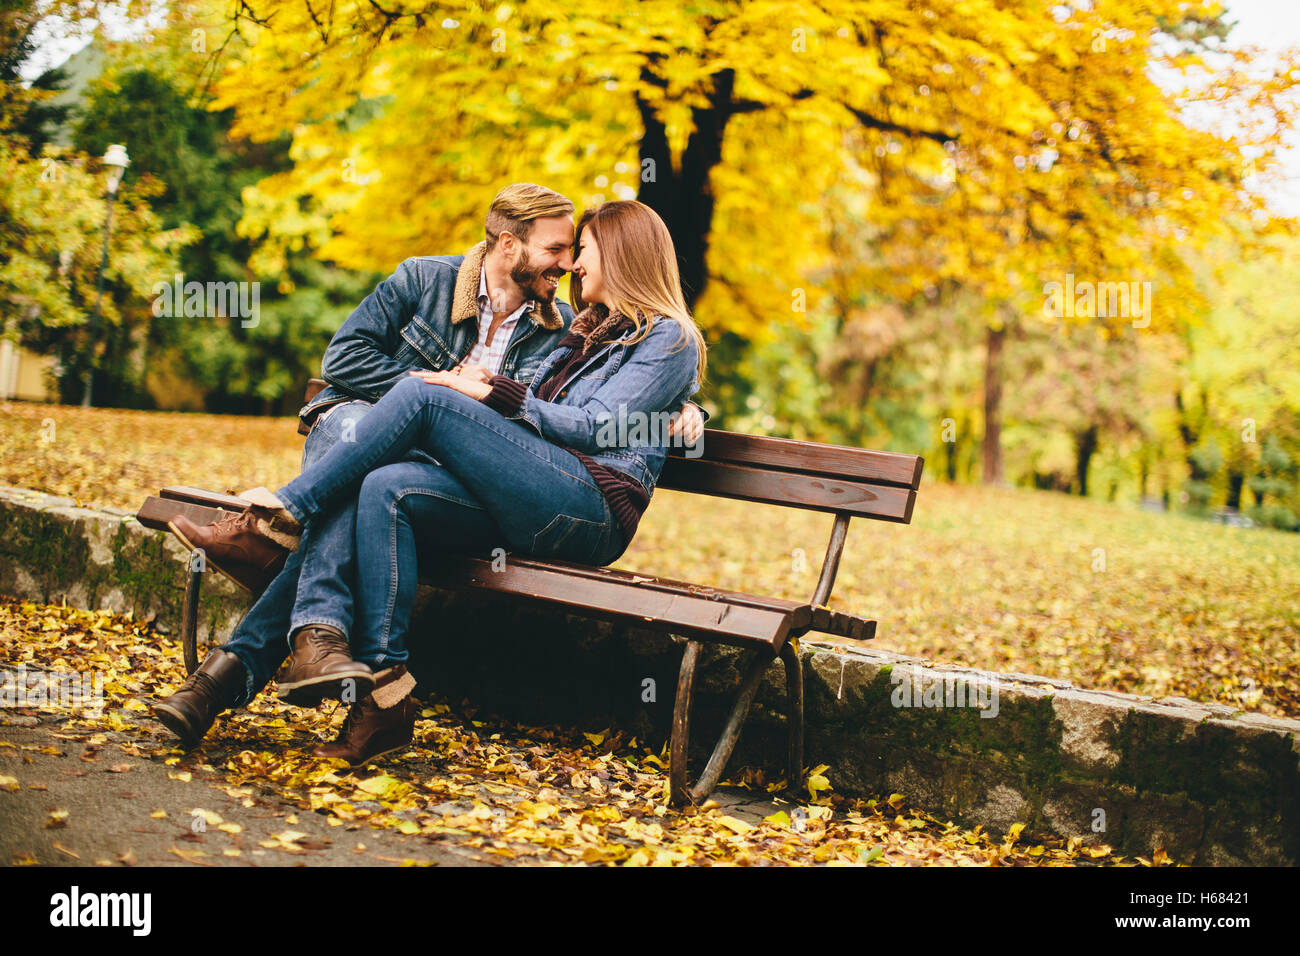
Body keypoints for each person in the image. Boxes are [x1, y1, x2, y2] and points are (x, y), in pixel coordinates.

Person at [153, 200, 706, 766]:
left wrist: (493, 392)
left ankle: (280, 520)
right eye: (566, 251)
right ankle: (383, 700)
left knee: (422, 394)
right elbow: (608, 402)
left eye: (581, 250)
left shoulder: (668, 338)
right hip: (532, 488)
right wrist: (682, 405)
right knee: (383, 485)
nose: (574, 266)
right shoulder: (576, 332)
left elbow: (593, 423)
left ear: (619, 253)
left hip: (587, 505)